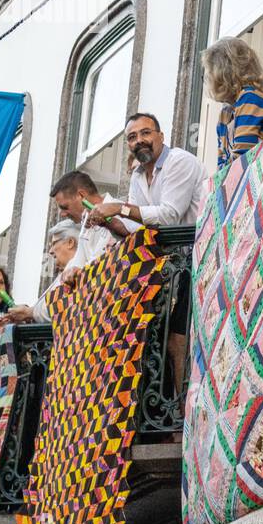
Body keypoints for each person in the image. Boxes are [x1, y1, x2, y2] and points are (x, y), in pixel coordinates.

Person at [88, 113, 206, 396]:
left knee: (180, 340)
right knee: (159, 340)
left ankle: (182, 413)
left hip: (198, 259)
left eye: (145, 133)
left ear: (161, 136)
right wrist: (108, 222)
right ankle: (171, 408)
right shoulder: (139, 175)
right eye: (131, 137)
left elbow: (168, 217)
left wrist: (118, 208)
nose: (139, 140)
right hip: (169, 269)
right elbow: (134, 229)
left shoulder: (180, 161)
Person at [202, 36, 263, 168]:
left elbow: (242, 159)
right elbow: (222, 165)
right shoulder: (226, 113)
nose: (207, 79)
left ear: (222, 72)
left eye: (209, 72)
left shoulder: (250, 97)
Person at [0, 218, 84, 328]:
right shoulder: (66, 272)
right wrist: (25, 317)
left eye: (54, 243)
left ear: (70, 243)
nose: (51, 251)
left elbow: (63, 308)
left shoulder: (77, 271)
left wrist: (30, 312)